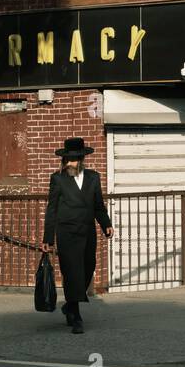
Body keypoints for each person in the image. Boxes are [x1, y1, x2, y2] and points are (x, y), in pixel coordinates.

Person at [41, 137, 113, 334]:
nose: (71, 163)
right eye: (68, 160)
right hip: (66, 233)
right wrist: (48, 238)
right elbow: (52, 209)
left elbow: (98, 206)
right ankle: (77, 317)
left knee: (88, 268)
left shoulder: (93, 177)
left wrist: (106, 224)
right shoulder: (58, 179)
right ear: (64, 161)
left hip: (87, 231)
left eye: (75, 160)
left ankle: (69, 306)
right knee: (72, 272)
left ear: (82, 160)